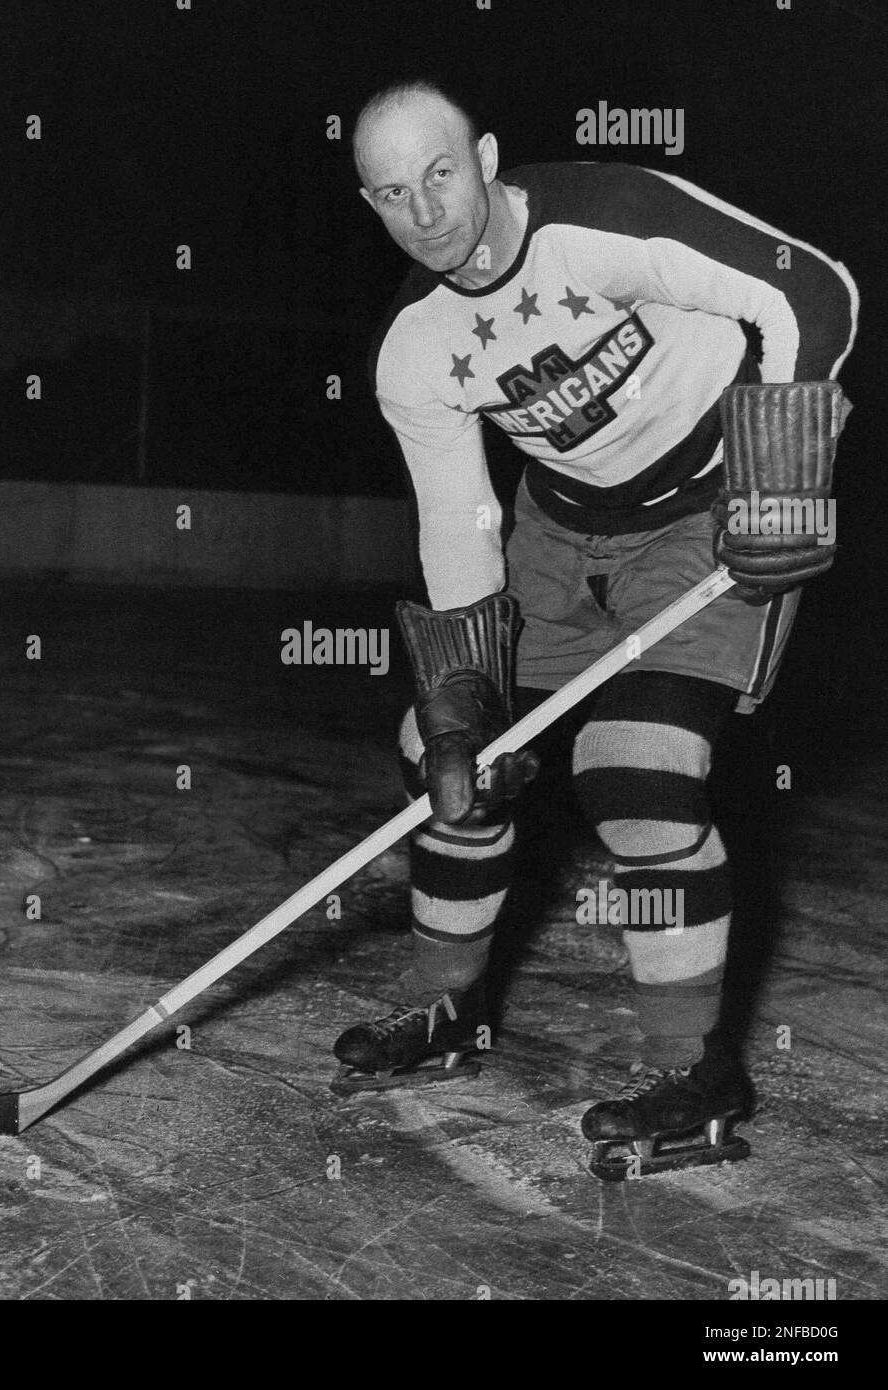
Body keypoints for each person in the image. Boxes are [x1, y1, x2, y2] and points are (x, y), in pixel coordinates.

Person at [333, 79, 857, 1177]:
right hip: (556, 535)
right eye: (390, 193)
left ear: (482, 154)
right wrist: (463, 706)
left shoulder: (601, 217)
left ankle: (690, 1070)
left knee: (636, 771)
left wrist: (777, 472)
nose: (424, 212)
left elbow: (810, 290)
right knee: (449, 766)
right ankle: (446, 1013)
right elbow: (459, 521)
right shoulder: (411, 348)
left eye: (438, 175)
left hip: (710, 506)